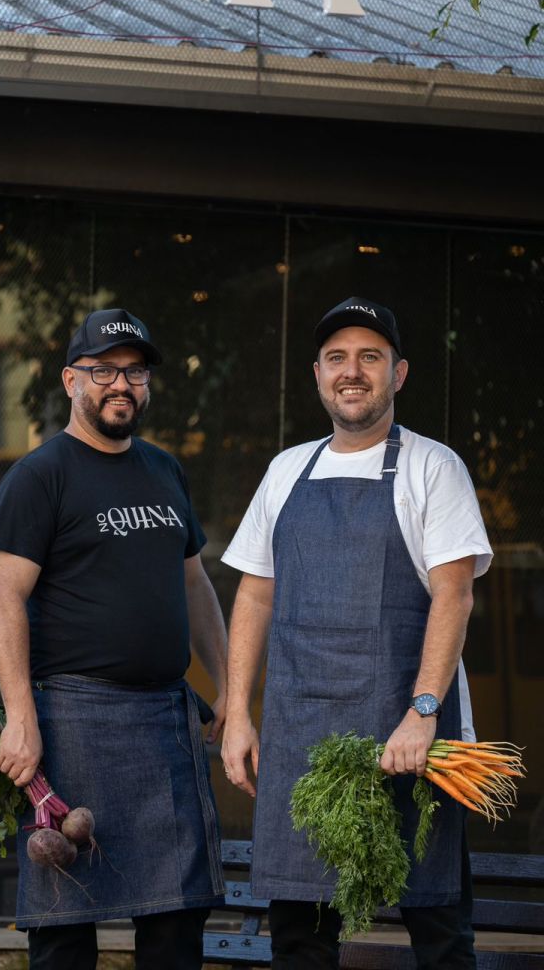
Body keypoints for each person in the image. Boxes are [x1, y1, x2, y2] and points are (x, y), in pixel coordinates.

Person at [221, 297, 492, 970]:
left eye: (370, 357)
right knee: (301, 939)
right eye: (338, 358)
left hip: (412, 741)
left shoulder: (436, 468)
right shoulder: (286, 471)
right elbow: (254, 594)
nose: (353, 372)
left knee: (439, 933)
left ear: (398, 374)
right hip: (303, 744)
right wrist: (236, 716)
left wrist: (423, 712)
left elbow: (454, 595)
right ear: (317, 374)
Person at [0, 307, 228, 970]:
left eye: (135, 372)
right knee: (66, 929)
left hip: (164, 721)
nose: (121, 385)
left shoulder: (165, 470)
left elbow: (194, 584)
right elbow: (4, 598)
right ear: (71, 380)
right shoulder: (40, 476)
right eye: (103, 371)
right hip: (72, 719)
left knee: (178, 922)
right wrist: (20, 719)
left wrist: (231, 690)